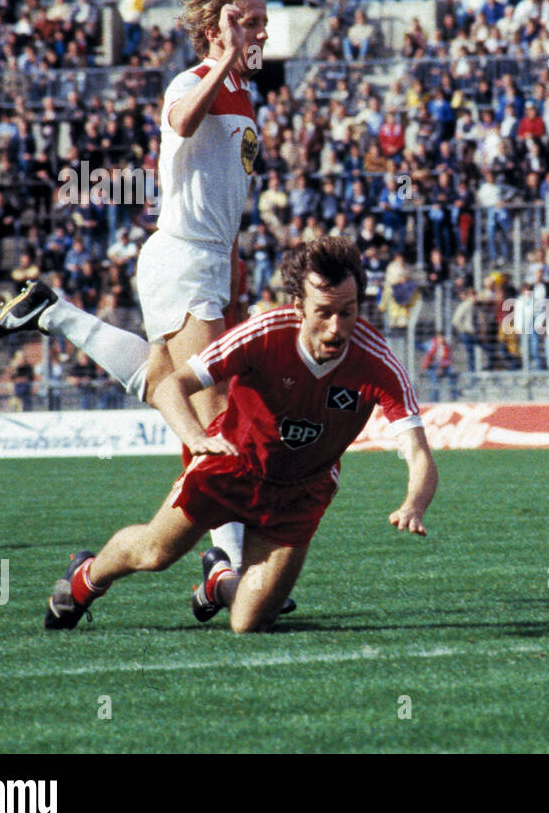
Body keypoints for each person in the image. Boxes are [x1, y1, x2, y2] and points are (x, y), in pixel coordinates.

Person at [0, 0, 268, 581]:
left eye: (262, 21)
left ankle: (53, 312)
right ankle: (231, 562)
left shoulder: (246, 97)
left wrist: (237, 254)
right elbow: (183, 123)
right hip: (184, 255)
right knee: (215, 406)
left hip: (210, 258)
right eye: (246, 21)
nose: (261, 32)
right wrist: (221, 56)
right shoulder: (190, 81)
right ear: (214, 28)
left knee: (170, 388)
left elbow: (224, 187)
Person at [43, 236, 437, 632]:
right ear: (298, 306)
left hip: (301, 491)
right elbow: (170, 385)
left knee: (249, 623)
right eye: (324, 312)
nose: (337, 328)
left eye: (348, 312)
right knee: (155, 553)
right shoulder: (264, 333)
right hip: (232, 463)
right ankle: (85, 579)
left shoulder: (378, 361)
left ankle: (218, 584)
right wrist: (196, 437)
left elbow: (419, 453)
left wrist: (413, 504)